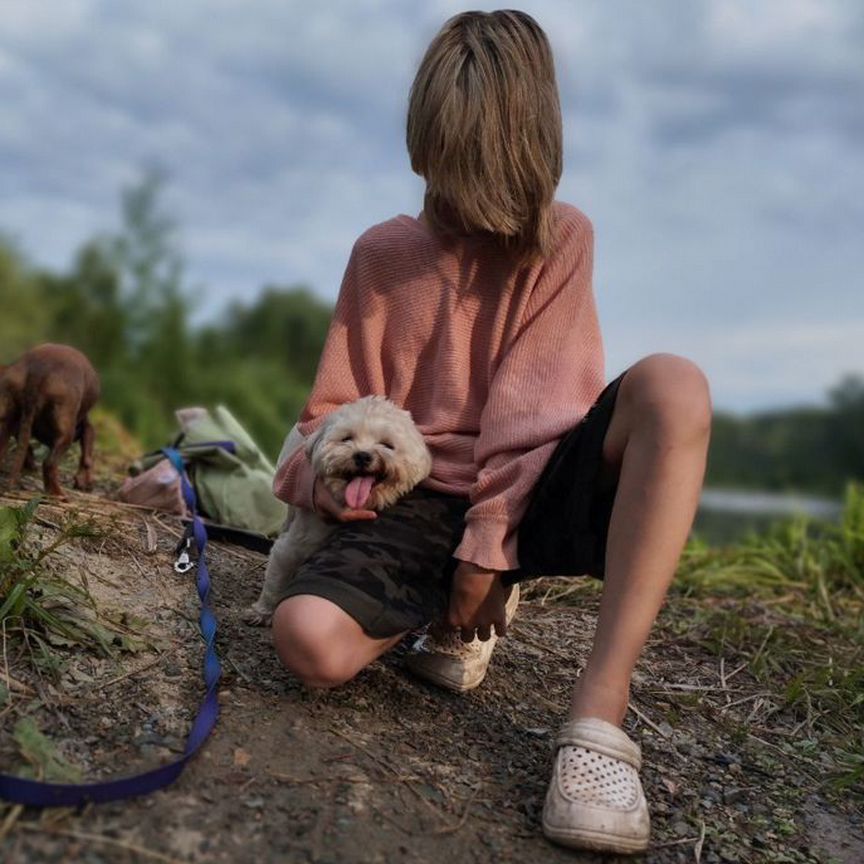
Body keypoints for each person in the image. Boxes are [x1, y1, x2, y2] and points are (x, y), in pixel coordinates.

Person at [270, 10, 711, 855]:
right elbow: (330, 411)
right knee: (309, 644)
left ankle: (597, 723)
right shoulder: (382, 253)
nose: (461, 188)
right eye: (446, 156)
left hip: (528, 483)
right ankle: (442, 610)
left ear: (529, 145)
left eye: (483, 161)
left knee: (675, 388)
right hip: (413, 493)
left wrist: (491, 547)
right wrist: (328, 483)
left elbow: (535, 414)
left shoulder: (563, 237)